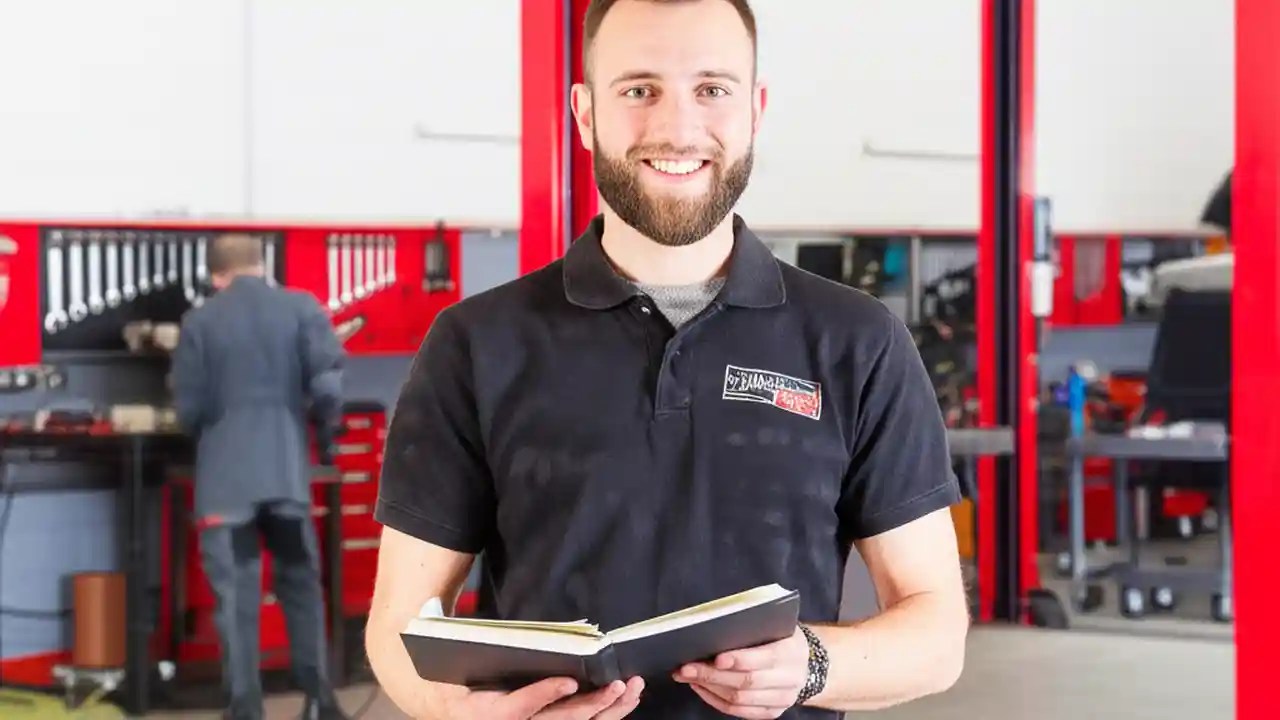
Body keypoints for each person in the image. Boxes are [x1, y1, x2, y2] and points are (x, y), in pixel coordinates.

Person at [365, 1, 969, 718]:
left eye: (712, 89)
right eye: (639, 89)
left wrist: (812, 664)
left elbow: (936, 633)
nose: (678, 128)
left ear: (755, 109)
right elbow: (397, 626)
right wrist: (458, 714)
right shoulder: (475, 344)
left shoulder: (858, 342)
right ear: (585, 114)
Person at [171, 233, 349, 720]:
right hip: (286, 477)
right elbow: (329, 384)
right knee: (300, 585)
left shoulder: (199, 322)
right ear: (262, 264)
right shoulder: (301, 308)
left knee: (236, 596)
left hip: (226, 487)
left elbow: (188, 408)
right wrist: (325, 436)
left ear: (214, 276)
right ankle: (318, 700)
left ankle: (246, 707)